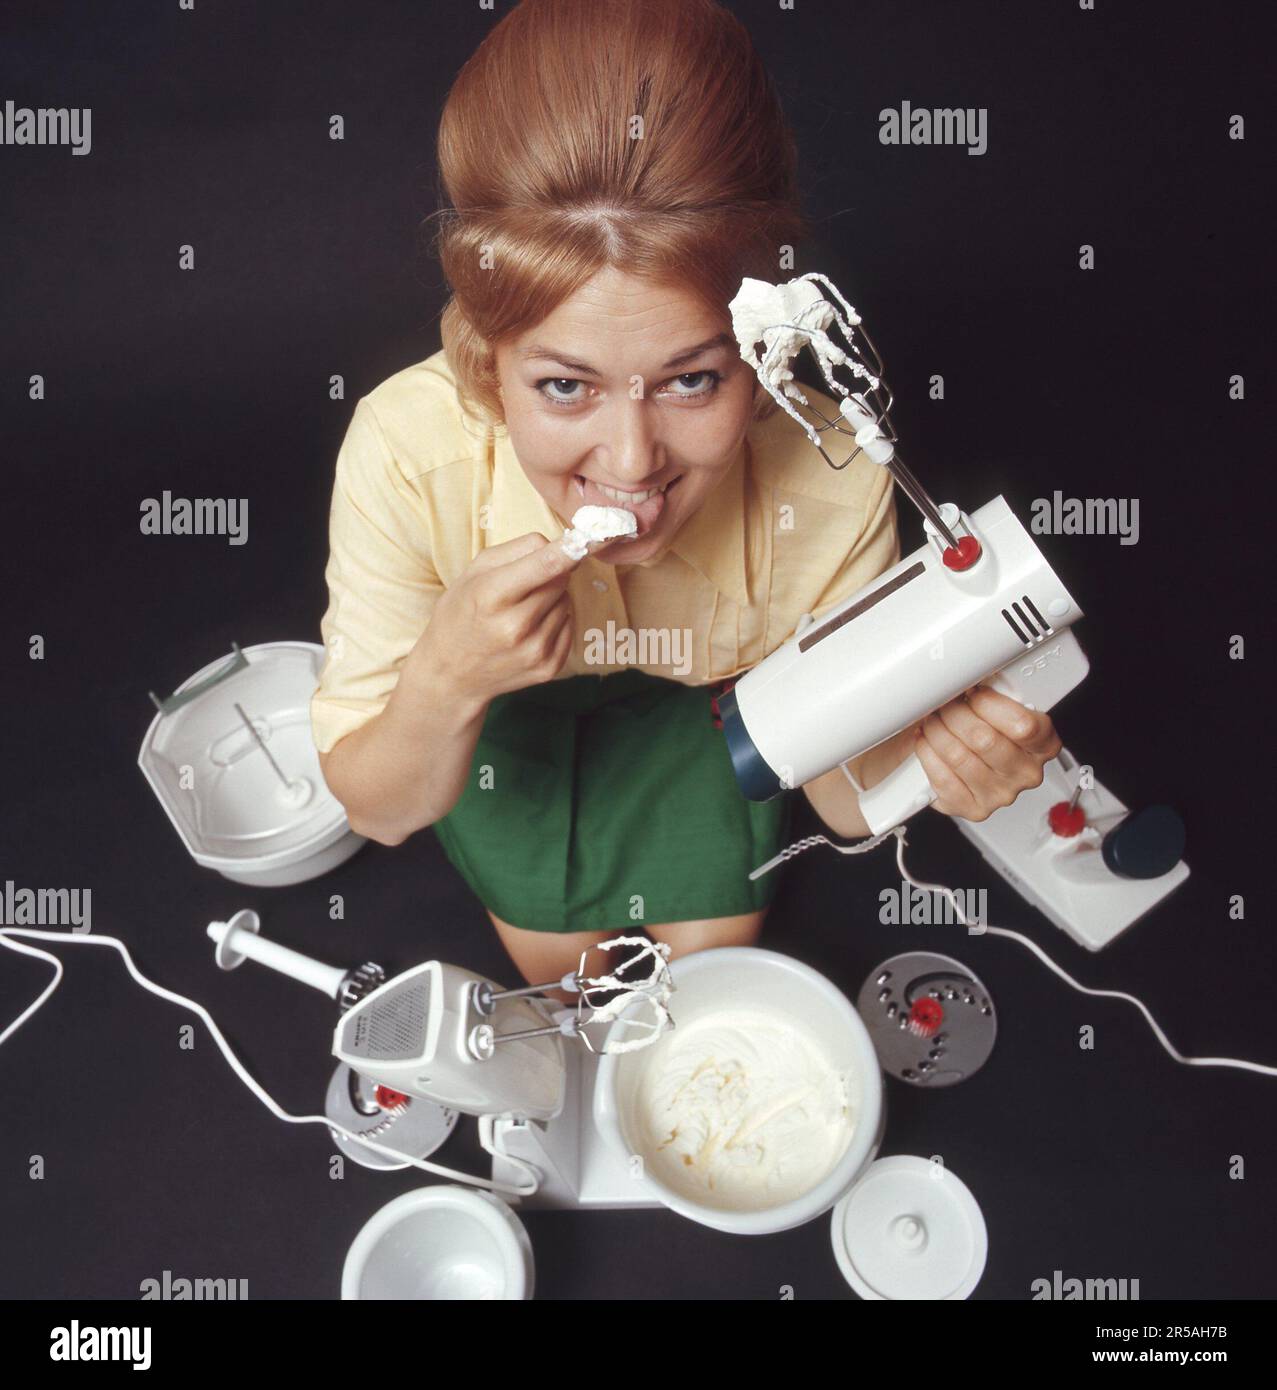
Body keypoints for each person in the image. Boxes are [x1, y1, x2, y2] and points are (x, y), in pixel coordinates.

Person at [310, 0, 1060, 1003]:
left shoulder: (828, 473)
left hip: (718, 717)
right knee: (567, 984)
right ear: (488, 368)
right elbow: (380, 808)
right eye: (564, 386)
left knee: (699, 983)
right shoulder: (405, 452)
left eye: (691, 381)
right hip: (499, 737)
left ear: (761, 354)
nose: (631, 464)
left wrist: (935, 758)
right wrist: (447, 671)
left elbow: (842, 805)